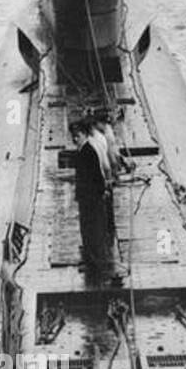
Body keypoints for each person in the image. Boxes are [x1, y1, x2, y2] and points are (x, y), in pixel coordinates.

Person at [71, 119, 115, 278]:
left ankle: (95, 264)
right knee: (88, 230)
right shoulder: (84, 149)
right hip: (86, 198)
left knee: (92, 231)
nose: (75, 139)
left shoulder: (88, 151)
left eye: (77, 135)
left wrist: (101, 192)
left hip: (91, 200)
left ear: (84, 134)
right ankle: (91, 261)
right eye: (73, 136)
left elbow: (96, 175)